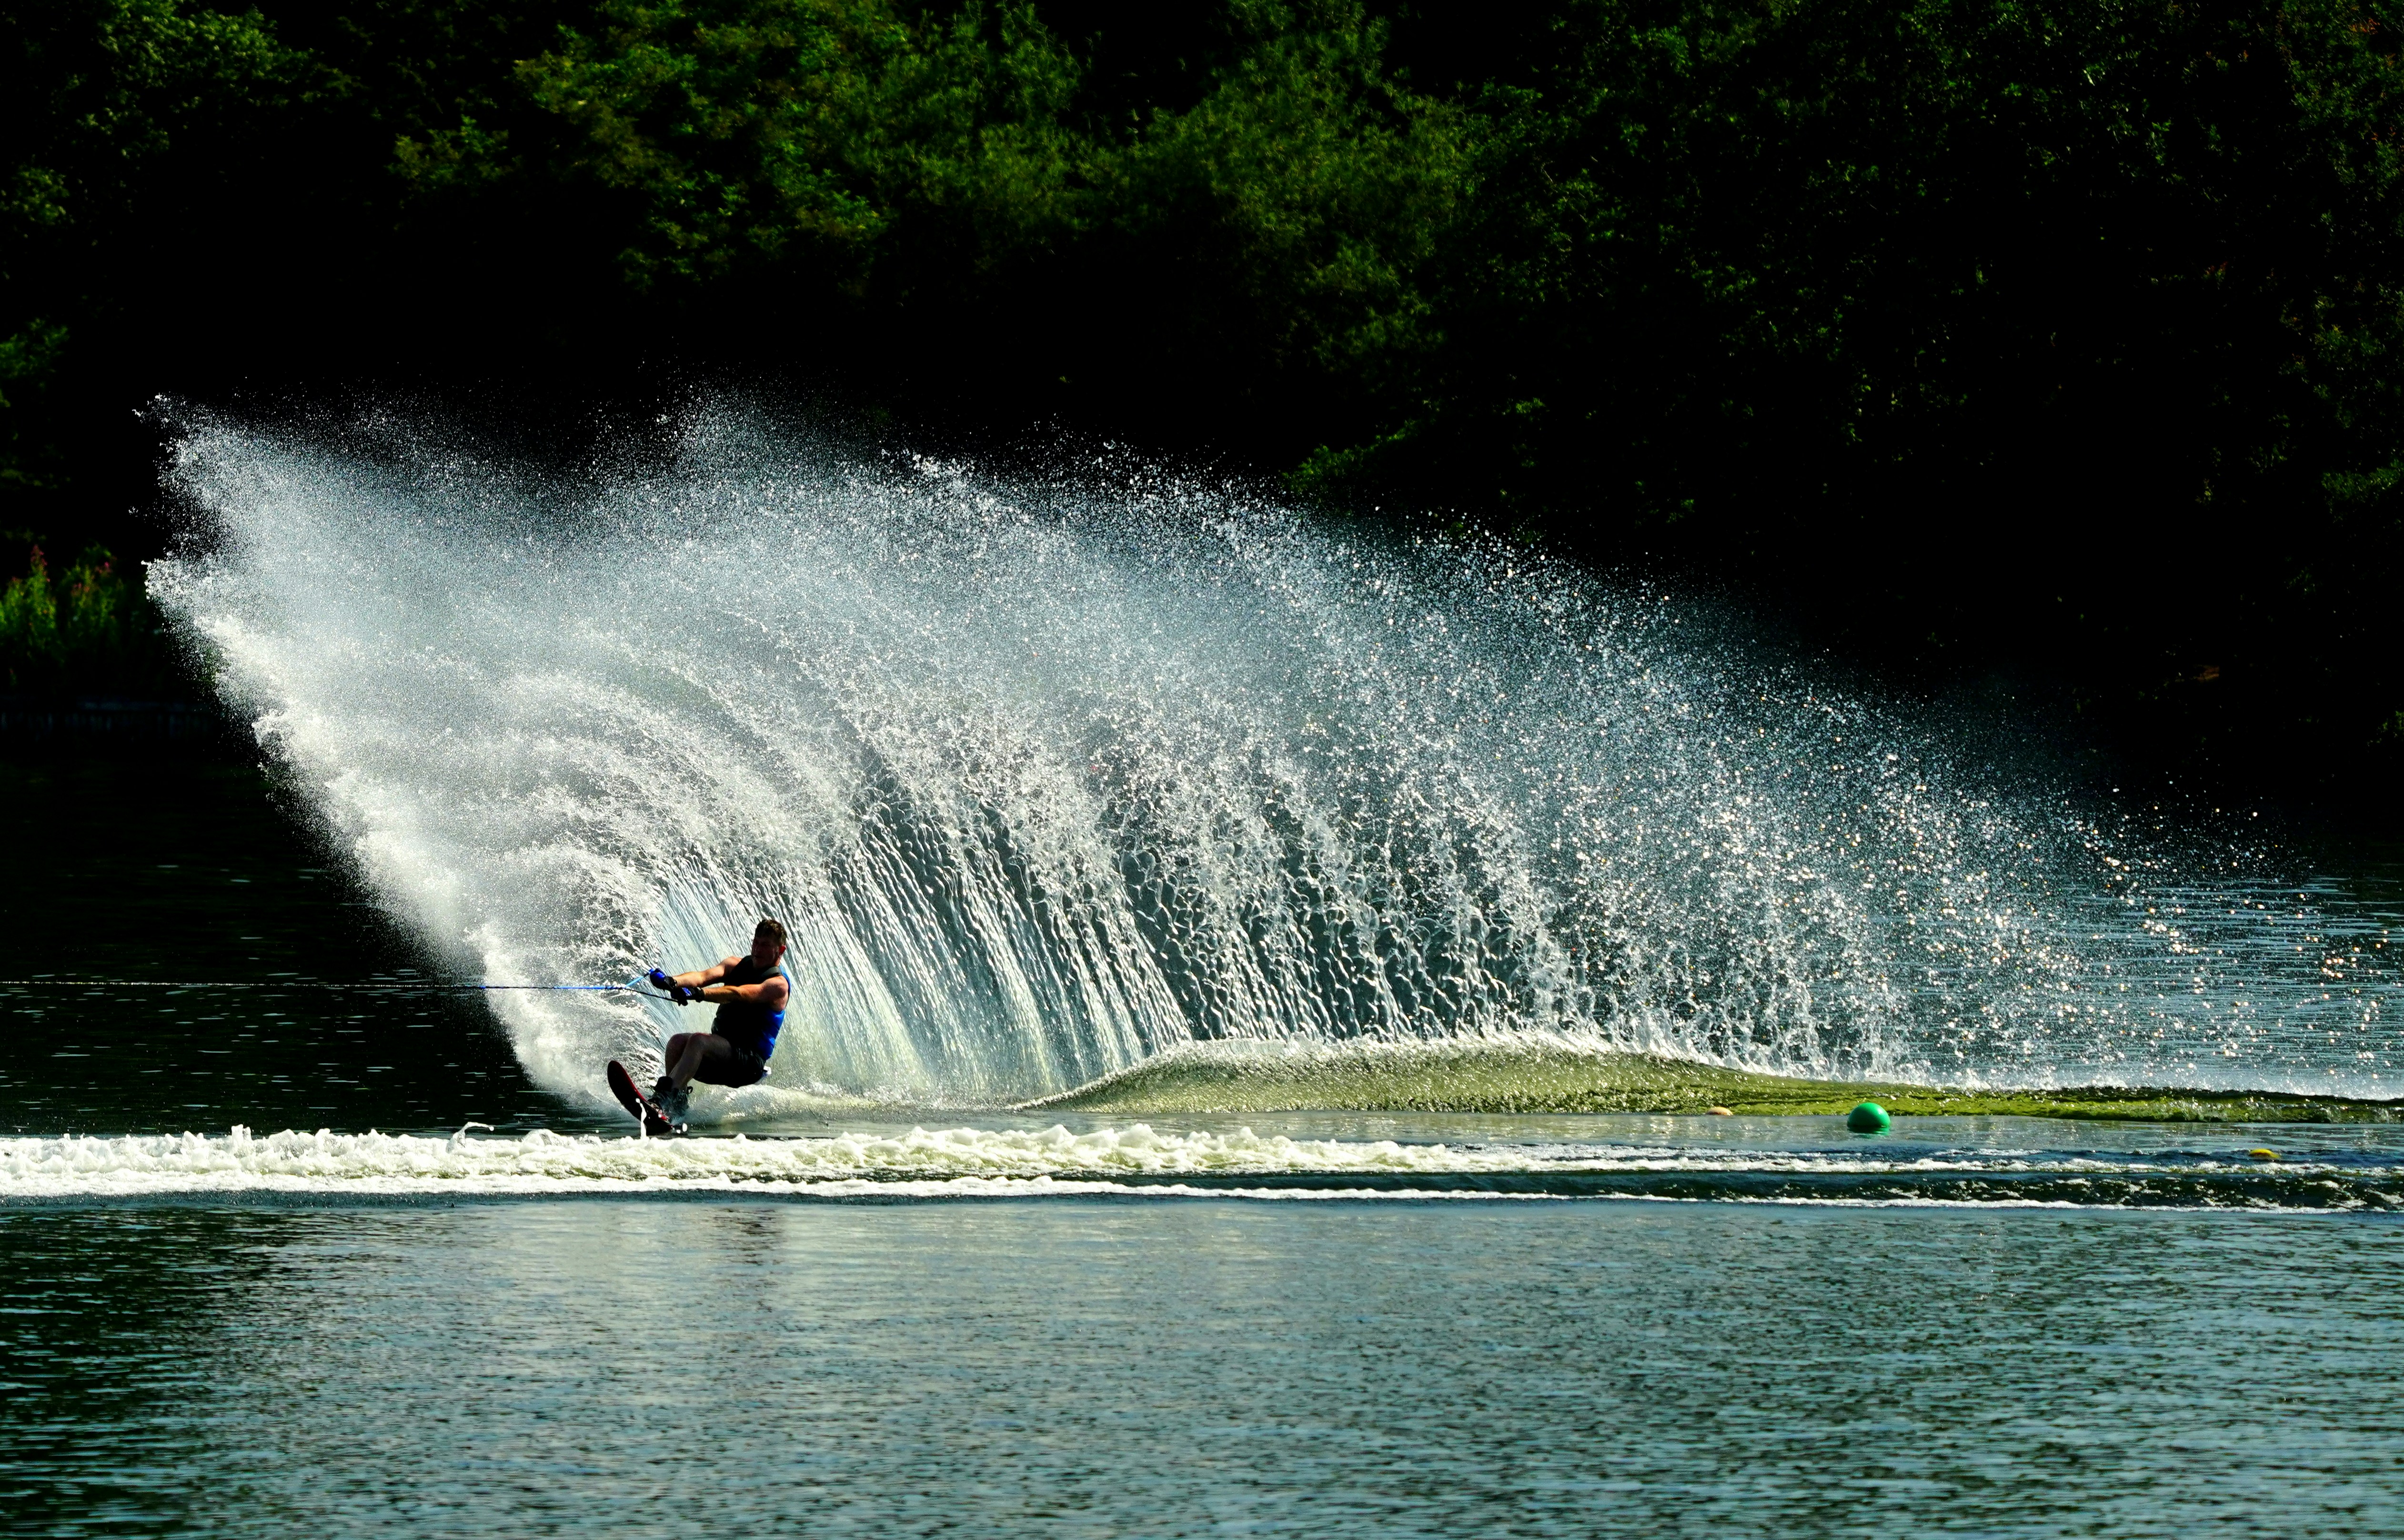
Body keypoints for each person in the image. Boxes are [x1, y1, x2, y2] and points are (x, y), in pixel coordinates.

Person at [645, 917, 792, 1122]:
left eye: (766, 945)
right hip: (723, 1056)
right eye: (756, 942)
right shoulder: (734, 965)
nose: (758, 949)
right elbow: (703, 976)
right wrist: (673, 982)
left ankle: (663, 1100)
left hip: (748, 1063)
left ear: (781, 950)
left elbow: (738, 994)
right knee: (677, 1042)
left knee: (699, 1040)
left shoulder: (778, 985)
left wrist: (699, 994)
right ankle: (675, 1108)